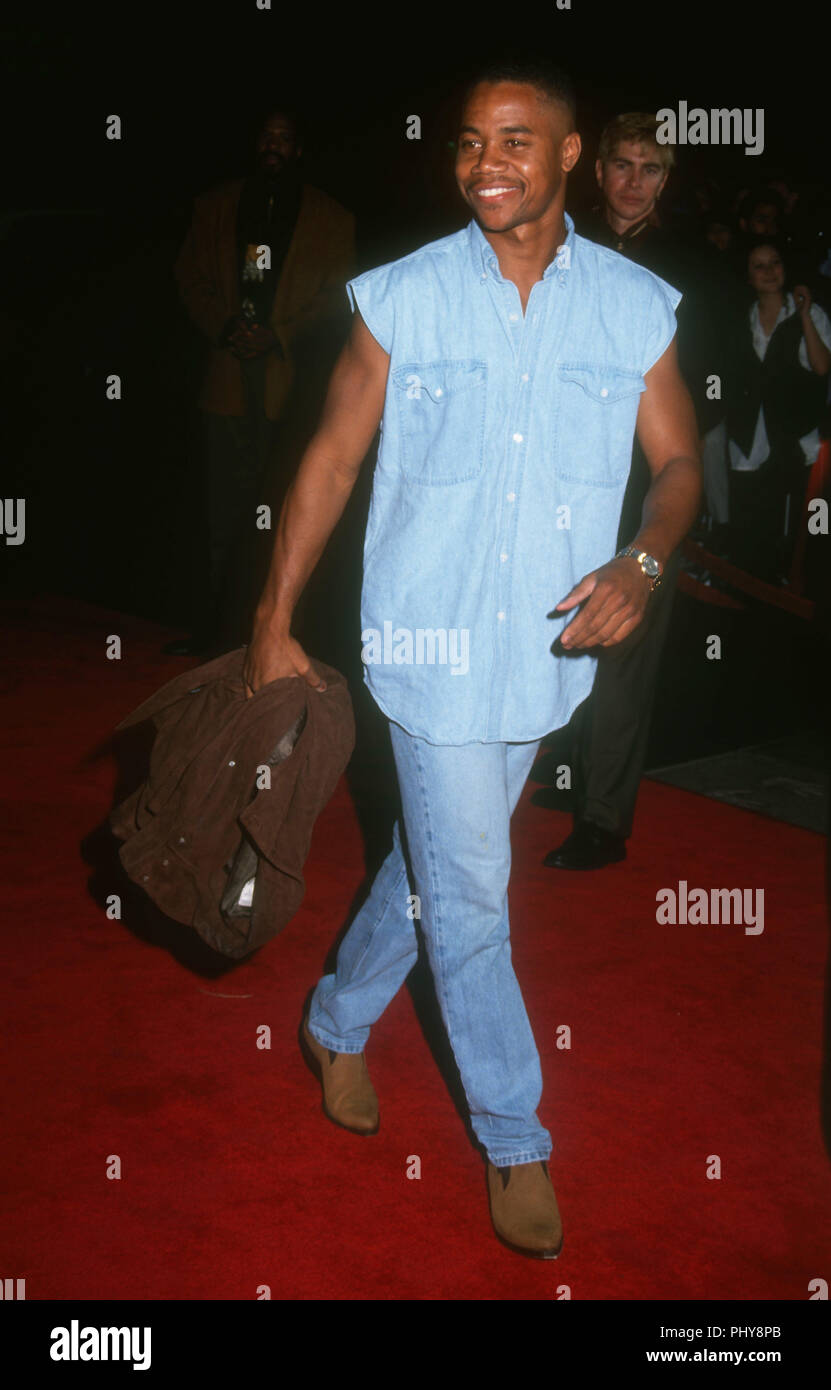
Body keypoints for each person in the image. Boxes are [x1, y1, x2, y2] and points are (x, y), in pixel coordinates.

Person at [244, 60, 701, 1258]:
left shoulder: (634, 305)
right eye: (466, 142)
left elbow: (679, 469)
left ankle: (338, 1017)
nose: (485, 161)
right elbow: (332, 463)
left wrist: (644, 563)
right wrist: (272, 617)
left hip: (547, 652)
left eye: (514, 139)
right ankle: (515, 1137)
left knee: (437, 868)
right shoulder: (401, 296)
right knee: (474, 897)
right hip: (428, 645)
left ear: (571, 157)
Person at [541, 114, 721, 871]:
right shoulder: (555, 245)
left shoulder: (689, 269)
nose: (633, 181)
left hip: (644, 487)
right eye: (621, 164)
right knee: (547, 624)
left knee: (623, 652)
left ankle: (603, 820)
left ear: (665, 180)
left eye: (650, 168)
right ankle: (559, 772)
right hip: (552, 473)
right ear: (596, 169)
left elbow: (705, 395)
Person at [169, 108, 355, 655]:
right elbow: (188, 278)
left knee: (286, 516)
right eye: (266, 136)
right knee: (222, 512)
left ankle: (281, 636)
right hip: (226, 381)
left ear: (299, 148)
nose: (274, 145)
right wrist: (226, 327)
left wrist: (276, 334)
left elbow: (338, 293)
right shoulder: (215, 207)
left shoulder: (332, 218)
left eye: (285, 138)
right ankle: (215, 636)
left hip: (294, 389)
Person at [724, 235, 831, 581]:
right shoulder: (742, 317)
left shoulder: (809, 312)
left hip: (795, 432)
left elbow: (821, 366)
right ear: (749, 275)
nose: (769, 271)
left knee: (800, 522)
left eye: (775, 263)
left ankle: (792, 584)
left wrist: (803, 315)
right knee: (752, 517)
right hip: (750, 434)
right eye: (759, 266)